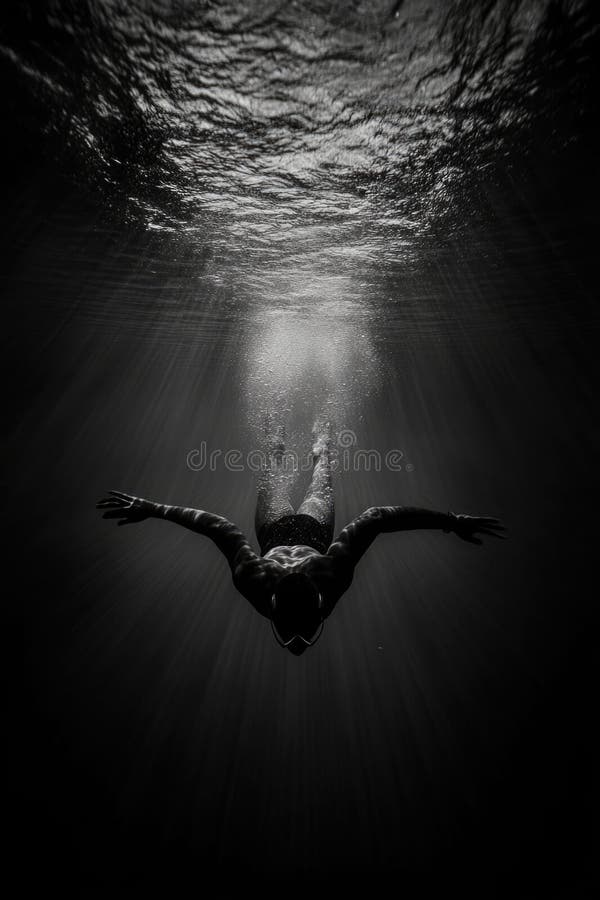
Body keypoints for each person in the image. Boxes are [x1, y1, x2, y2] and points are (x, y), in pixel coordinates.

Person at [97, 421, 505, 655]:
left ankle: (277, 428)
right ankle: (321, 441)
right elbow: (376, 518)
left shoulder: (255, 580)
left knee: (272, 463)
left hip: (272, 532)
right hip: (315, 531)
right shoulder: (329, 571)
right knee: (321, 468)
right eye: (302, 583)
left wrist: (153, 508)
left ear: (272, 601)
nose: (294, 571)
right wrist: (449, 520)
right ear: (317, 596)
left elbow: (218, 527)